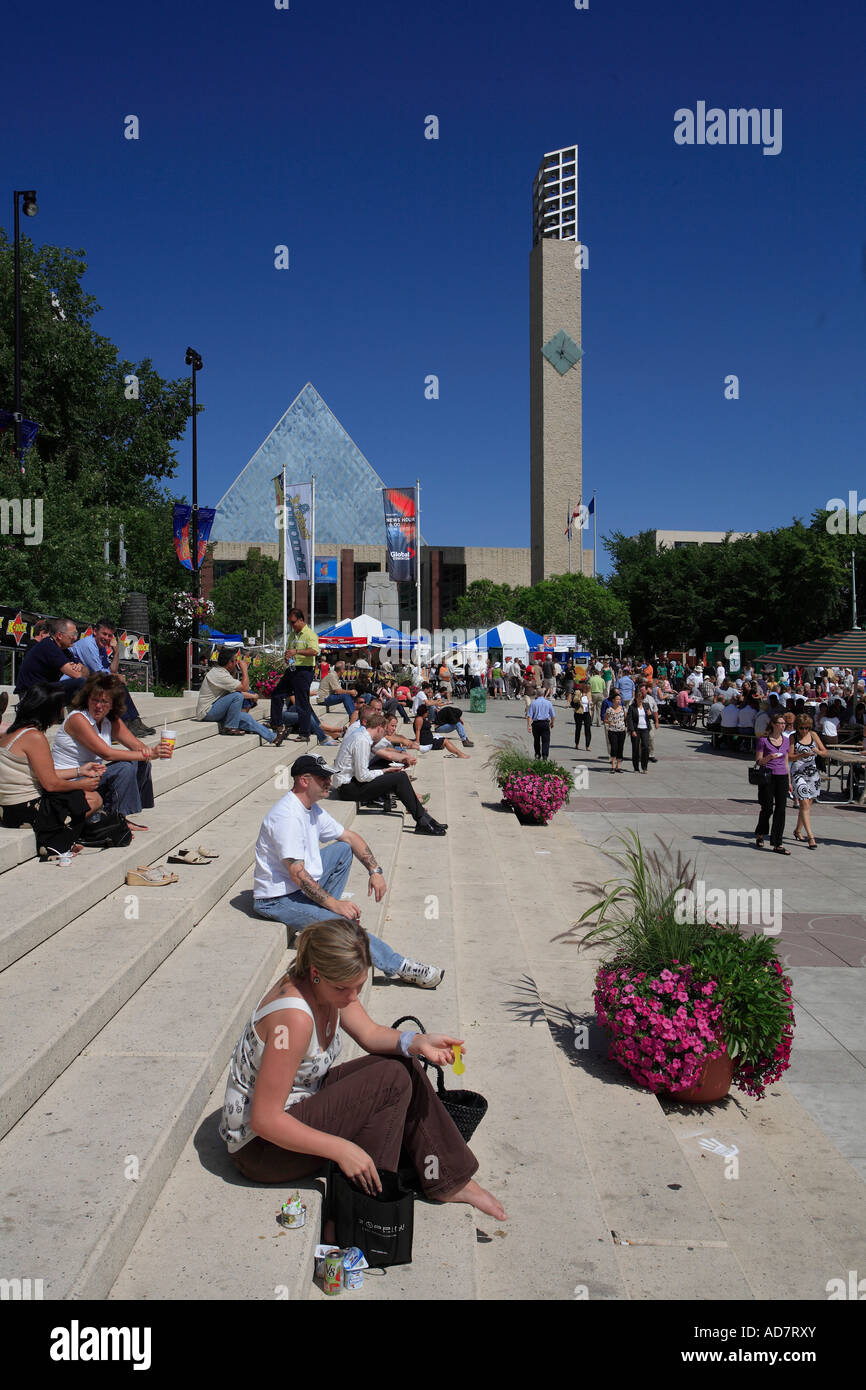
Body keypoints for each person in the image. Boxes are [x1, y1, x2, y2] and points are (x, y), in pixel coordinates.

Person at [220, 918, 506, 1219]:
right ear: (316, 973)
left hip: (302, 1105)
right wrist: (341, 1149)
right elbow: (265, 1120)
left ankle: (448, 1180)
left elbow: (369, 1034)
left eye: (359, 986)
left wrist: (418, 1041)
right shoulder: (293, 1019)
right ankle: (368, 1209)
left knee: (403, 1065)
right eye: (345, 989)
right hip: (263, 1151)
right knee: (390, 1079)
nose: (352, 998)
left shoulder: (326, 984)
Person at [252, 757, 444, 987]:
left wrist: (375, 870)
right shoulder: (287, 817)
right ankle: (400, 965)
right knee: (345, 926)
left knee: (343, 849)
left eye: (329, 776)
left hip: (299, 885)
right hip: (277, 898)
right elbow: (297, 874)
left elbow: (350, 837)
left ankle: (321, 921)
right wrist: (334, 904)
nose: (328, 781)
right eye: (322, 777)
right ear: (304, 780)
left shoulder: (310, 809)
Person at [51, 673, 170, 824]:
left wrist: (154, 751)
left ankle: (119, 815)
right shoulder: (78, 719)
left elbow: (137, 746)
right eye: (94, 700)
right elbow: (106, 753)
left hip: (92, 775)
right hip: (72, 778)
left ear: (113, 704)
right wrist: (148, 754)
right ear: (87, 699)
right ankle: (117, 819)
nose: (98, 706)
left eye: (104, 702)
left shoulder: (110, 720)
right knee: (125, 767)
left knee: (141, 762)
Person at [0, 682, 103, 856]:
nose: (62, 711)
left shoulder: (13, 731)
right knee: (92, 799)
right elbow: (51, 784)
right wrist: (82, 785)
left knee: (78, 797)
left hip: (7, 808)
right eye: (60, 707)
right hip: (22, 810)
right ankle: (57, 840)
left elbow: (42, 773)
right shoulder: (34, 737)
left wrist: (79, 771)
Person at [331, 712, 448, 835]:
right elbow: (362, 776)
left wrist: (392, 767)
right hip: (348, 789)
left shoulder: (361, 735)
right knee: (400, 778)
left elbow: (384, 754)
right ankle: (422, 820)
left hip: (350, 783)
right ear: (379, 728)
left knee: (395, 774)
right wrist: (384, 771)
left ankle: (425, 818)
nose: (384, 736)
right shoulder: (362, 740)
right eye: (384, 732)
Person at [70, 618, 155, 737]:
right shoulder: (88, 644)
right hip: (73, 681)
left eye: (110, 636)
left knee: (116, 683)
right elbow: (99, 672)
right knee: (115, 684)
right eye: (104, 634)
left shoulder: (102, 647)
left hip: (89, 679)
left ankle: (134, 721)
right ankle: (126, 723)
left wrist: (116, 652)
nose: (107, 638)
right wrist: (115, 676)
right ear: (95, 631)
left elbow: (112, 670)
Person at [196, 648, 285, 743]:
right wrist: (244, 670)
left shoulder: (221, 672)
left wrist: (253, 696)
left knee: (247, 718)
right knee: (237, 697)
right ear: (229, 663)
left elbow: (236, 691)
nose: (236, 662)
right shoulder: (219, 675)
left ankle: (274, 738)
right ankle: (230, 727)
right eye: (235, 660)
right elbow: (244, 688)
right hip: (207, 712)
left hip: (216, 709)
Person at [13, 617, 87, 696]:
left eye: (76, 634)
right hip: (32, 693)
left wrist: (80, 667)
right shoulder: (49, 646)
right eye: (73, 634)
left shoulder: (64, 650)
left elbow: (86, 672)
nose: (75, 638)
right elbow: (77, 675)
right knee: (81, 683)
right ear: (59, 635)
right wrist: (78, 669)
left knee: (87, 682)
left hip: (45, 690)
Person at [788, 713, 827, 849]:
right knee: (804, 802)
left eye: (807, 728)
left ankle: (798, 830)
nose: (804, 730)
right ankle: (811, 837)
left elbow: (825, 752)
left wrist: (817, 751)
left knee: (807, 805)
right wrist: (802, 755)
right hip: (798, 773)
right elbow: (789, 757)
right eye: (802, 728)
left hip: (812, 773)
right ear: (797, 727)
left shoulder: (814, 735)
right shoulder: (793, 737)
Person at [754, 713, 791, 853]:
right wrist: (768, 757)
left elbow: (787, 761)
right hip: (767, 776)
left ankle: (777, 843)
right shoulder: (763, 740)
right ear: (774, 724)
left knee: (781, 809)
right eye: (781, 723)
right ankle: (760, 833)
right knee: (767, 808)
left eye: (784, 724)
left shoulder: (786, 740)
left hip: (782, 776)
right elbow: (758, 761)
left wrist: (789, 780)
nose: (783, 725)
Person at [282, 608, 319, 739]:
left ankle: (305, 733)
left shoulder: (310, 634)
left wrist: (296, 652)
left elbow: (315, 651)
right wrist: (287, 658)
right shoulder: (292, 635)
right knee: (278, 694)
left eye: (293, 622)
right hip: (293, 669)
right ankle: (277, 724)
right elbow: (289, 651)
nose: (291, 625)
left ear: (301, 620)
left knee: (302, 702)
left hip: (305, 670)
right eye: (290, 623)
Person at [626, 688, 654, 773]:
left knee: (645, 747)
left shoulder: (646, 705)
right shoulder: (632, 707)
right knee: (635, 748)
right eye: (639, 698)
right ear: (636, 698)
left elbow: (650, 717)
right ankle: (636, 767)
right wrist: (632, 730)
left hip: (645, 729)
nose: (640, 700)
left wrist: (650, 715)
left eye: (641, 698)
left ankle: (644, 767)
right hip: (636, 729)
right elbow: (629, 719)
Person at [526, 688, 555, 759]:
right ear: (543, 694)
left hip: (536, 724)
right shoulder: (548, 703)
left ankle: (537, 754)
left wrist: (529, 725)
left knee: (536, 740)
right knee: (546, 740)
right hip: (545, 723)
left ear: (537, 694)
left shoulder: (533, 703)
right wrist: (552, 723)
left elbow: (529, 715)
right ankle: (545, 755)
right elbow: (553, 715)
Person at [604, 691, 627, 773]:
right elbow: (605, 719)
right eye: (617, 699)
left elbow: (625, 718)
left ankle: (618, 766)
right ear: (613, 700)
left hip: (621, 730)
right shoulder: (609, 710)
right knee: (614, 748)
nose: (618, 701)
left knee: (620, 748)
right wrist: (609, 722)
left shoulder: (623, 708)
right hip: (612, 731)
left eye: (619, 699)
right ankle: (613, 766)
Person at [570, 683, 591, 752]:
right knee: (578, 728)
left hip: (587, 713)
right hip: (579, 713)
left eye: (588, 688)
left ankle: (587, 746)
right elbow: (574, 700)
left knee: (587, 729)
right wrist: (580, 697)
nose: (587, 689)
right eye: (586, 688)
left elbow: (591, 702)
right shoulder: (578, 692)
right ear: (583, 687)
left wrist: (591, 703)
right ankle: (577, 743)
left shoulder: (589, 694)